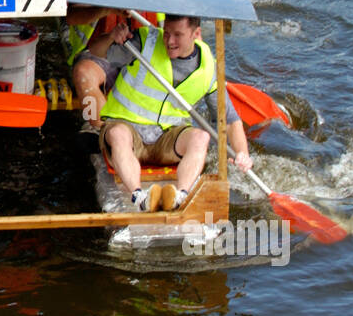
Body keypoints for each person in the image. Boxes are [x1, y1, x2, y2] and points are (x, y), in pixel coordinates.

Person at [98, 15, 253, 212]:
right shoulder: (144, 41)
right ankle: (139, 196)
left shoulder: (208, 68)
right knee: (117, 133)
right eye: (167, 34)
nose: (170, 41)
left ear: (196, 34)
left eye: (178, 35)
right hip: (129, 132)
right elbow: (97, 52)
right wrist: (111, 37)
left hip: (167, 139)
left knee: (201, 136)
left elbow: (229, 121)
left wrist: (242, 153)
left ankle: (180, 196)